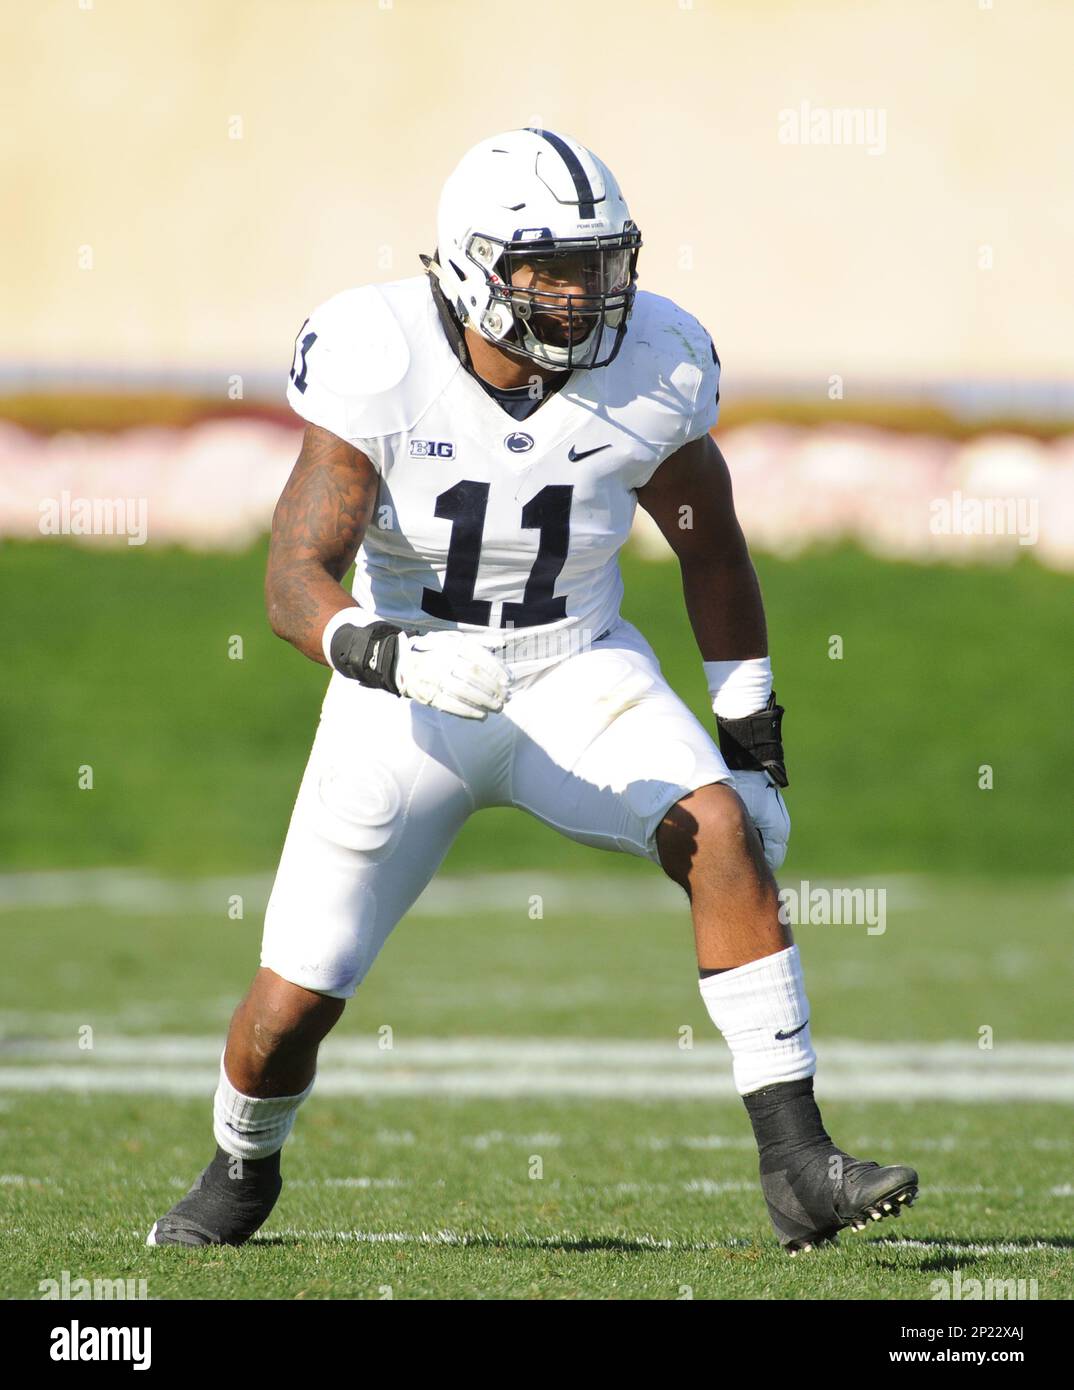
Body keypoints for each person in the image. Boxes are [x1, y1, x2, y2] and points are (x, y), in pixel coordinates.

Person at [147, 128, 917, 1256]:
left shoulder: (655, 361)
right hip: (404, 694)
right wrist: (385, 651)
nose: (585, 294)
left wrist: (751, 742)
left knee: (720, 832)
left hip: (576, 665)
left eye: (601, 264)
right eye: (551, 269)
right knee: (291, 1006)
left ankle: (801, 1166)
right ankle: (241, 1166)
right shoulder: (382, 352)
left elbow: (714, 550)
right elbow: (290, 579)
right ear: (472, 267)